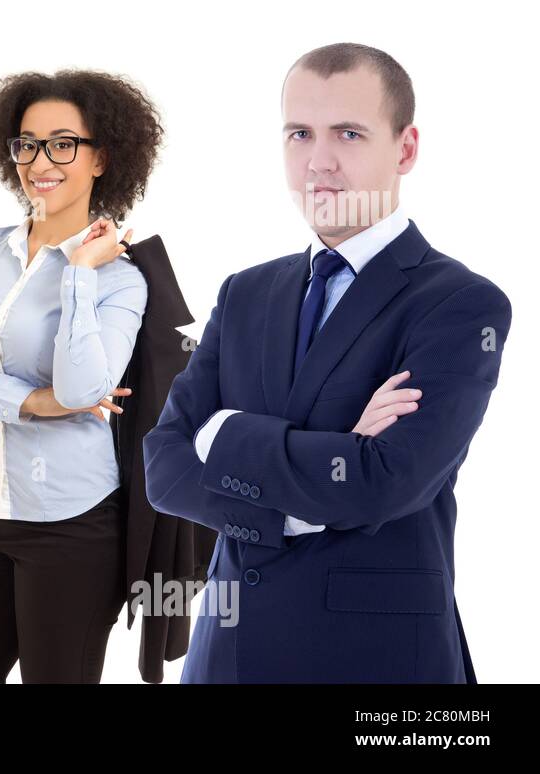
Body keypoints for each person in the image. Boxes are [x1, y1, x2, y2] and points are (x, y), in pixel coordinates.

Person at [143, 43, 512, 683]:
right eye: (299, 134)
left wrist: (225, 436)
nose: (319, 162)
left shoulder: (460, 304)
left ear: (405, 148)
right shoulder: (245, 292)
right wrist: (336, 454)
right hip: (227, 654)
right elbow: (165, 467)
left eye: (348, 133)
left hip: (373, 662)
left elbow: (386, 482)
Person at [0, 69, 162, 683]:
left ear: (101, 157)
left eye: (63, 143)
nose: (40, 161)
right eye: (27, 143)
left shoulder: (121, 279)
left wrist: (77, 274)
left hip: (73, 527)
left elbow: (78, 392)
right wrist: (27, 403)